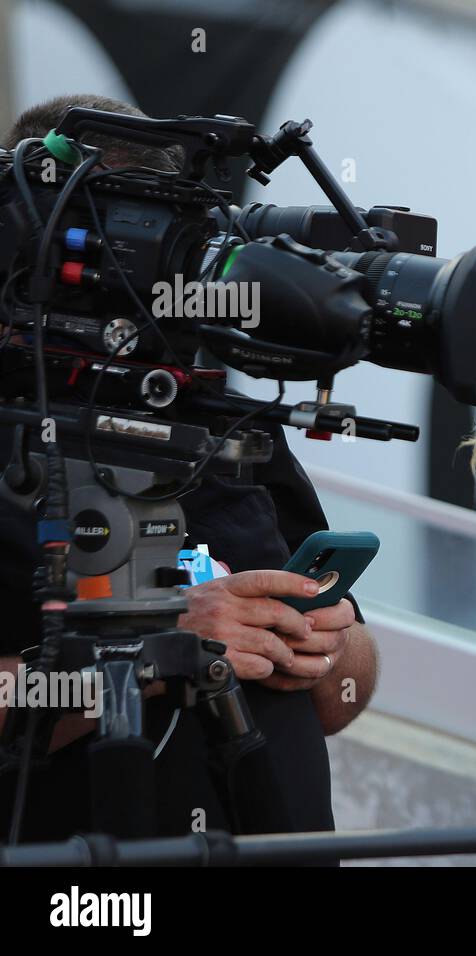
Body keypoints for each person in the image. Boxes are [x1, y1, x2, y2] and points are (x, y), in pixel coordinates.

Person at [0, 94, 378, 840]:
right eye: (101, 241)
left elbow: (340, 702)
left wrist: (333, 645)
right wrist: (159, 650)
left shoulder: (223, 423)